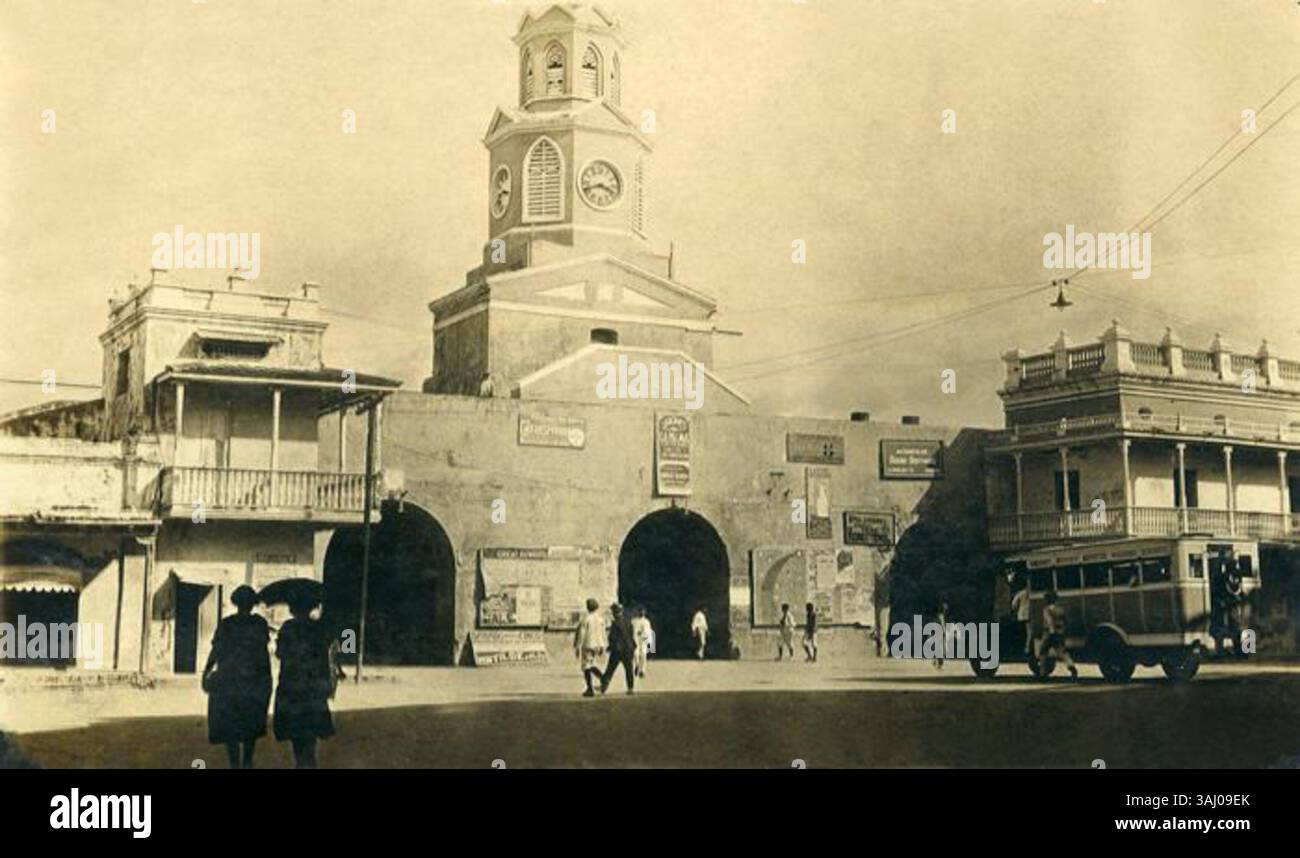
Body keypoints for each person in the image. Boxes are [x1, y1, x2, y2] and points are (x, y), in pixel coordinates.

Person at [202, 585, 272, 769]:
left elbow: (216, 651)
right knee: (250, 721)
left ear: (236, 602)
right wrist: (267, 680)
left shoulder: (227, 624)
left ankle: (234, 764)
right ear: (252, 604)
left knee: (230, 724)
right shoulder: (259, 624)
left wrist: (206, 672)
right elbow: (263, 655)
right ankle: (247, 761)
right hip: (253, 679)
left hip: (229, 680)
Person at [272, 595, 338, 768]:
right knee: (310, 730)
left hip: (291, 684)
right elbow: (325, 656)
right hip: (313, 685)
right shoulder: (318, 628)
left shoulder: (287, 628)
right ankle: (309, 762)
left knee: (296, 731)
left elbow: (279, 654)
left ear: (293, 608)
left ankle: (301, 763)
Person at [573, 598, 608, 697]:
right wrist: (603, 645)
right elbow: (603, 633)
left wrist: (577, 646)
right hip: (598, 644)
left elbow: (582, 633)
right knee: (590, 663)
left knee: (586, 666)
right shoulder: (601, 619)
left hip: (588, 644)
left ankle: (591, 687)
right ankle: (602, 678)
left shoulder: (586, 619)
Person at [1040, 590, 1078, 679]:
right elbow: (1065, 621)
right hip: (1060, 632)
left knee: (1042, 652)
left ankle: (1042, 673)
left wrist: (1052, 631)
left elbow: (1050, 621)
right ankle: (1071, 667)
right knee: (1062, 652)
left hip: (1050, 633)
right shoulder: (1060, 609)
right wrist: (1061, 630)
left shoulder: (1047, 609)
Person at [601, 603, 636, 694]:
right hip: (628, 648)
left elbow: (613, 637)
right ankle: (630, 688)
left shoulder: (615, 623)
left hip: (617, 649)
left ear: (614, 612)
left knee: (610, 668)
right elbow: (631, 634)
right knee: (629, 668)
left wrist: (610, 647)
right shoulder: (628, 621)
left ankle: (604, 684)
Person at [630, 606, 653, 679]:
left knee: (643, 655)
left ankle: (642, 670)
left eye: (642, 612)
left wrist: (649, 641)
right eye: (639, 611)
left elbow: (648, 631)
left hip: (643, 640)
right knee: (635, 654)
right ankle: (637, 665)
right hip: (635, 639)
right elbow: (631, 630)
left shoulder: (646, 621)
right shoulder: (633, 621)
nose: (641, 613)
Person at [1010, 578, 1032, 655]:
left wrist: (1014, 612)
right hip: (1028, 614)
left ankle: (1021, 647)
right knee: (1029, 632)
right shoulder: (1031, 593)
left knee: (1021, 632)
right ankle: (1027, 648)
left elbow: (1013, 605)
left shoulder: (1020, 594)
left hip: (1020, 615)